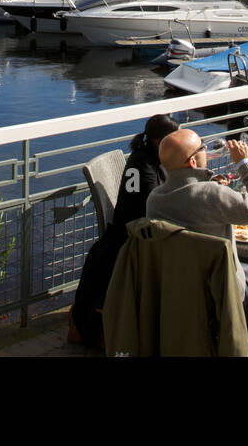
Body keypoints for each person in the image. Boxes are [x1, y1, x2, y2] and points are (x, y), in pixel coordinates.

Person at [145, 129, 248, 324]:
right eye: (202, 147)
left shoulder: (154, 200)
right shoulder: (212, 195)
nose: (206, 150)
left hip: (177, 298)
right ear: (192, 162)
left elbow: (189, 199)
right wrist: (245, 163)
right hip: (223, 303)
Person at [69, 114, 178, 349]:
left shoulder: (153, 158)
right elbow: (152, 202)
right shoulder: (141, 164)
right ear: (160, 141)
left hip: (143, 227)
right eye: (173, 140)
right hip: (132, 234)